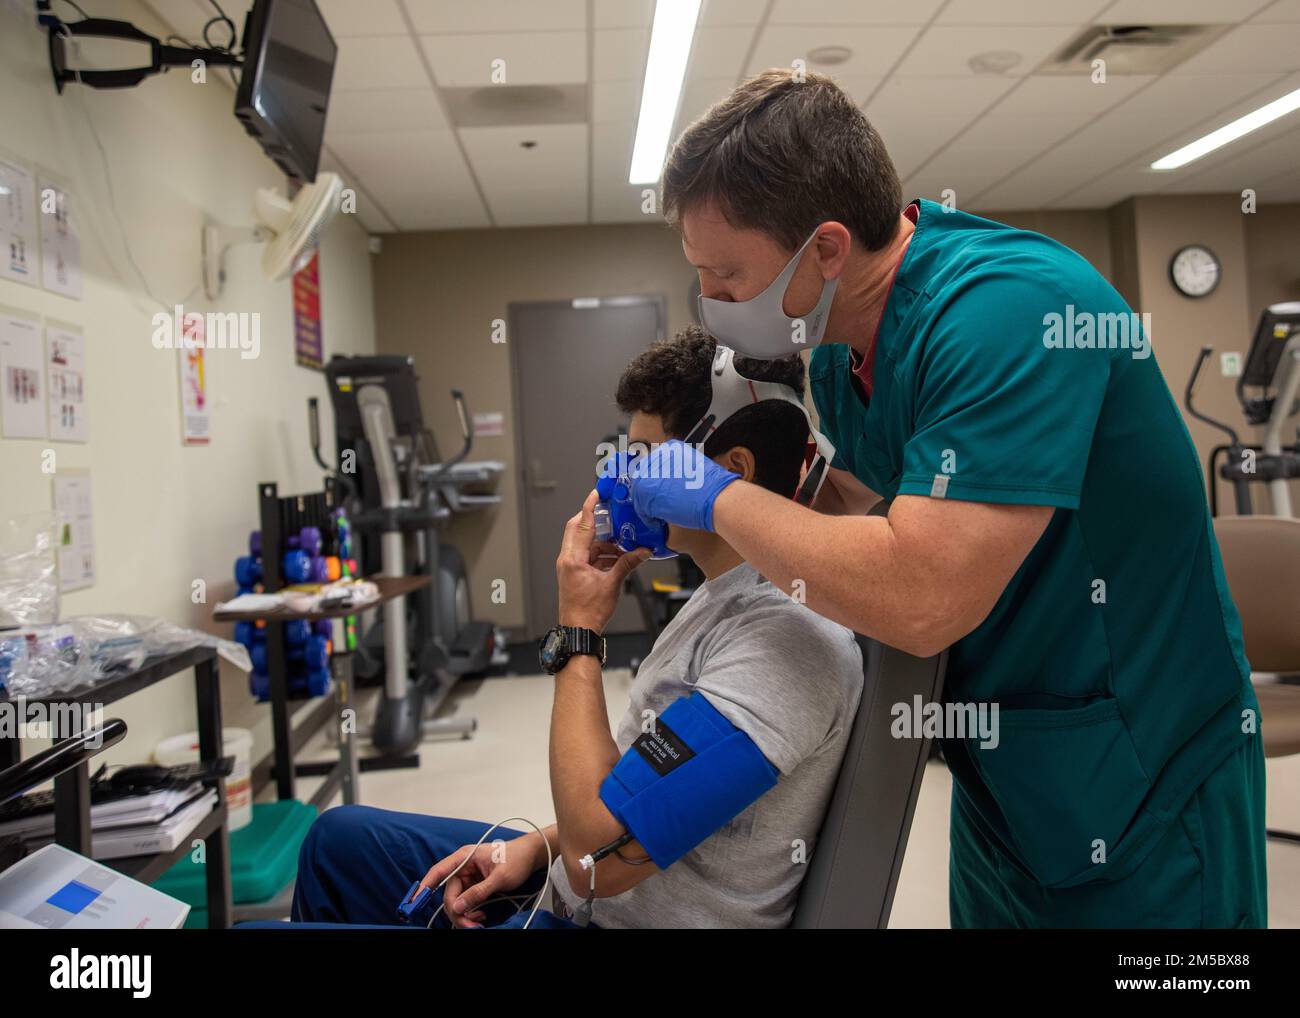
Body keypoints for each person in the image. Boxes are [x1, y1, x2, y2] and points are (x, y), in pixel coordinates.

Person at [626, 68, 1268, 928]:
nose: (714, 303)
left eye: (727, 276)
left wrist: (718, 499)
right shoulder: (837, 349)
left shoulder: (1009, 312)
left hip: (1142, 768)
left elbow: (920, 593)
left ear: (824, 250)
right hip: (1013, 772)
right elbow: (885, 517)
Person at [261, 326, 864, 930]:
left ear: (734, 470)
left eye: (649, 461)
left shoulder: (786, 642)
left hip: (602, 916)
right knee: (335, 840)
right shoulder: (723, 594)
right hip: (572, 891)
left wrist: (579, 631)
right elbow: (648, 797)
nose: (627, 481)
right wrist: (535, 846)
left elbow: (596, 863)